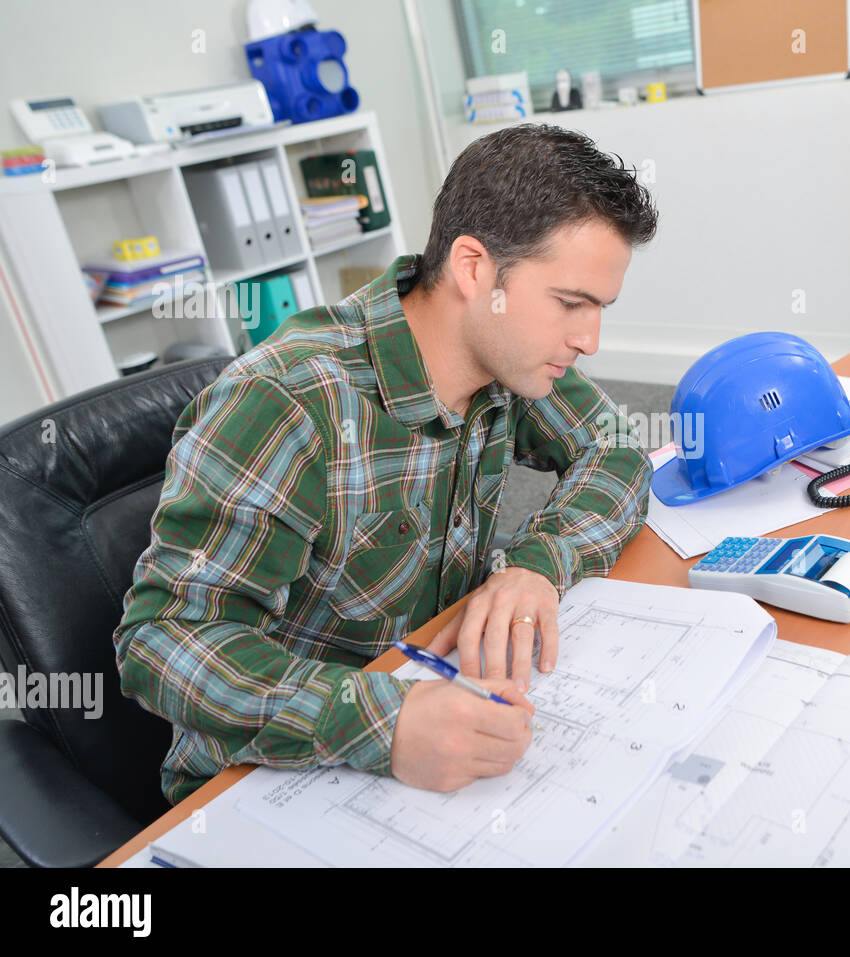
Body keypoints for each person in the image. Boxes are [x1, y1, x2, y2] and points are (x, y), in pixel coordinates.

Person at [114, 123, 659, 803]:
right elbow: (161, 641)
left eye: (599, 309)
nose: (589, 339)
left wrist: (538, 565)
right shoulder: (288, 401)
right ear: (473, 269)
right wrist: (384, 720)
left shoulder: (510, 358)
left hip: (433, 687)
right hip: (271, 777)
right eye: (571, 303)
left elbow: (615, 449)